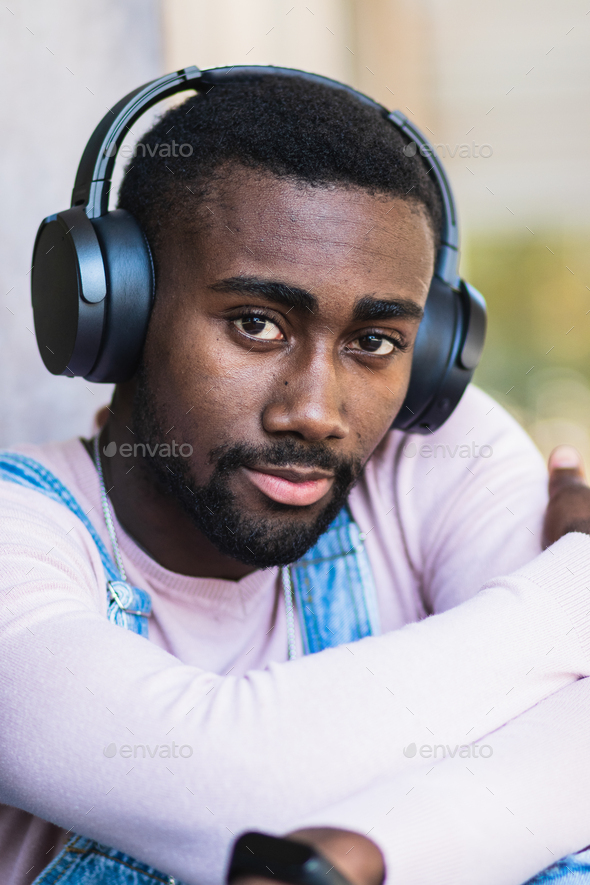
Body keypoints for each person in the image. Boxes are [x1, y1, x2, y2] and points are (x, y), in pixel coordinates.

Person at [1, 70, 590, 885]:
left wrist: (366, 858)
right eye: (256, 323)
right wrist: (577, 581)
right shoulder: (17, 539)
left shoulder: (428, 455)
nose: (315, 412)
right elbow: (219, 785)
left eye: (375, 341)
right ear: (119, 309)